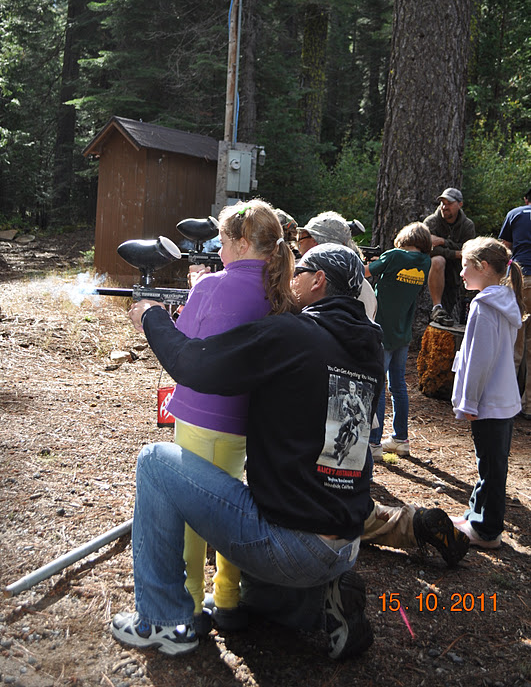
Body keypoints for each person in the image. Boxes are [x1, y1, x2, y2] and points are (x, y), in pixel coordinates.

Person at [112, 244, 384, 660]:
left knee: (155, 462)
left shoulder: (293, 335)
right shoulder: (368, 351)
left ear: (318, 282)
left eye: (299, 271)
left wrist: (150, 316)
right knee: (256, 599)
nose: (289, 279)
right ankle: (315, 602)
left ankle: (163, 621)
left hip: (292, 545)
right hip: (345, 544)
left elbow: (192, 365)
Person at [165, 199, 296, 631]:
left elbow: (182, 348)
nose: (218, 249)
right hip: (246, 424)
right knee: (232, 506)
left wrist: (191, 295)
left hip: (200, 417)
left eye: (221, 241)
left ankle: (189, 601)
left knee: (192, 514)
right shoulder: (280, 292)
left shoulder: (210, 286)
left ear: (240, 243)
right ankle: (228, 598)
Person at [450, 237, 526, 548]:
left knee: (492, 467)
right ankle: (474, 514)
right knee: (490, 463)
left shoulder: (484, 306)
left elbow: (480, 360)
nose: (461, 273)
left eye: (465, 266)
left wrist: (468, 401)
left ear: (482, 267)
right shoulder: (503, 299)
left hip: (489, 402)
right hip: (500, 400)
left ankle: (487, 531)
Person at [366, 222, 432, 459]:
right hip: (403, 332)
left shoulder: (394, 256)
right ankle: (400, 438)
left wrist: (368, 260)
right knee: (398, 386)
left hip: (382, 331)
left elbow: (366, 272)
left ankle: (373, 443)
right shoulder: (426, 262)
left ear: (404, 238)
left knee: (378, 387)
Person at [296, 210, 377, 319]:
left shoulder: (307, 281)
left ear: (316, 241)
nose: (298, 244)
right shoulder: (365, 288)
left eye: (302, 238)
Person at [499, 188, 531, 420]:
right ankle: (528, 405)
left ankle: (506, 401)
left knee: (515, 342)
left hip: (522, 280)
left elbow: (505, 248)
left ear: (526, 199)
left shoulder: (516, 214)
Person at [424, 188, 476, 326]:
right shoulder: (431, 222)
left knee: (448, 311)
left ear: (460, 204)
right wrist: (454, 253)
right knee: (438, 260)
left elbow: (467, 250)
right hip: (430, 269)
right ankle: (436, 306)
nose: (444, 207)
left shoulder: (467, 225)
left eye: (449, 203)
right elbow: (428, 249)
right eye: (442, 203)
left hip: (455, 272)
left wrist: (442, 242)